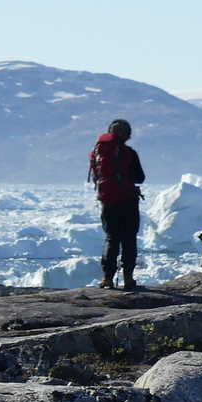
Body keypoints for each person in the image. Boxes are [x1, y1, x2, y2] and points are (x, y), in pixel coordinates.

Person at [88, 118, 145, 290]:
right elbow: (139, 178)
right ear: (127, 135)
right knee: (129, 239)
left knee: (111, 238)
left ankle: (107, 279)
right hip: (128, 201)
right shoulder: (129, 153)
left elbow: (96, 176)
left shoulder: (98, 152)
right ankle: (128, 278)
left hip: (108, 201)